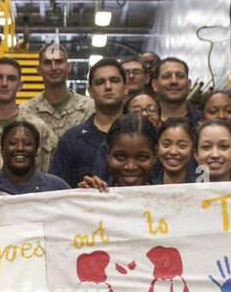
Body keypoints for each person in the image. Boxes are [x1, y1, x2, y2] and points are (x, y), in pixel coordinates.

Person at [48, 57, 126, 187]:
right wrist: (78, 192)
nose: (108, 87)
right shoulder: (71, 140)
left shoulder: (141, 135)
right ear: (90, 91)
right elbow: (56, 192)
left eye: (114, 80)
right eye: (100, 82)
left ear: (126, 87)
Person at [0, 56, 56, 170]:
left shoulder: (38, 128)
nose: (4, 83)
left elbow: (50, 173)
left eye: (11, 78)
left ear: (20, 85)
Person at [19, 42, 95, 141]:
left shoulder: (89, 108)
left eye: (59, 62)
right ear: (39, 69)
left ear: (68, 67)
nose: (54, 68)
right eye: (47, 63)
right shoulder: (26, 111)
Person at [0, 121, 71, 194]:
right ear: (2, 150)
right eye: (12, 143)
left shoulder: (57, 188)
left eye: (27, 143)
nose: (20, 148)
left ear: (37, 150)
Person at [79, 113, 159, 190]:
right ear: (108, 153)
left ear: (155, 155)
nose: (130, 167)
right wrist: (85, 198)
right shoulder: (94, 195)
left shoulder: (170, 198)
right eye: (120, 157)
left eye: (142, 157)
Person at [152, 57, 201, 123]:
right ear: (155, 85)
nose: (174, 81)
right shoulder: (143, 122)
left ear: (189, 85)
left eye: (180, 76)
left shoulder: (203, 122)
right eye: (166, 76)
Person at [157, 117, 199, 185]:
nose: (173, 152)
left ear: (193, 150)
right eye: (166, 145)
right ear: (157, 147)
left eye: (182, 146)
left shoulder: (202, 186)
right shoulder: (147, 184)